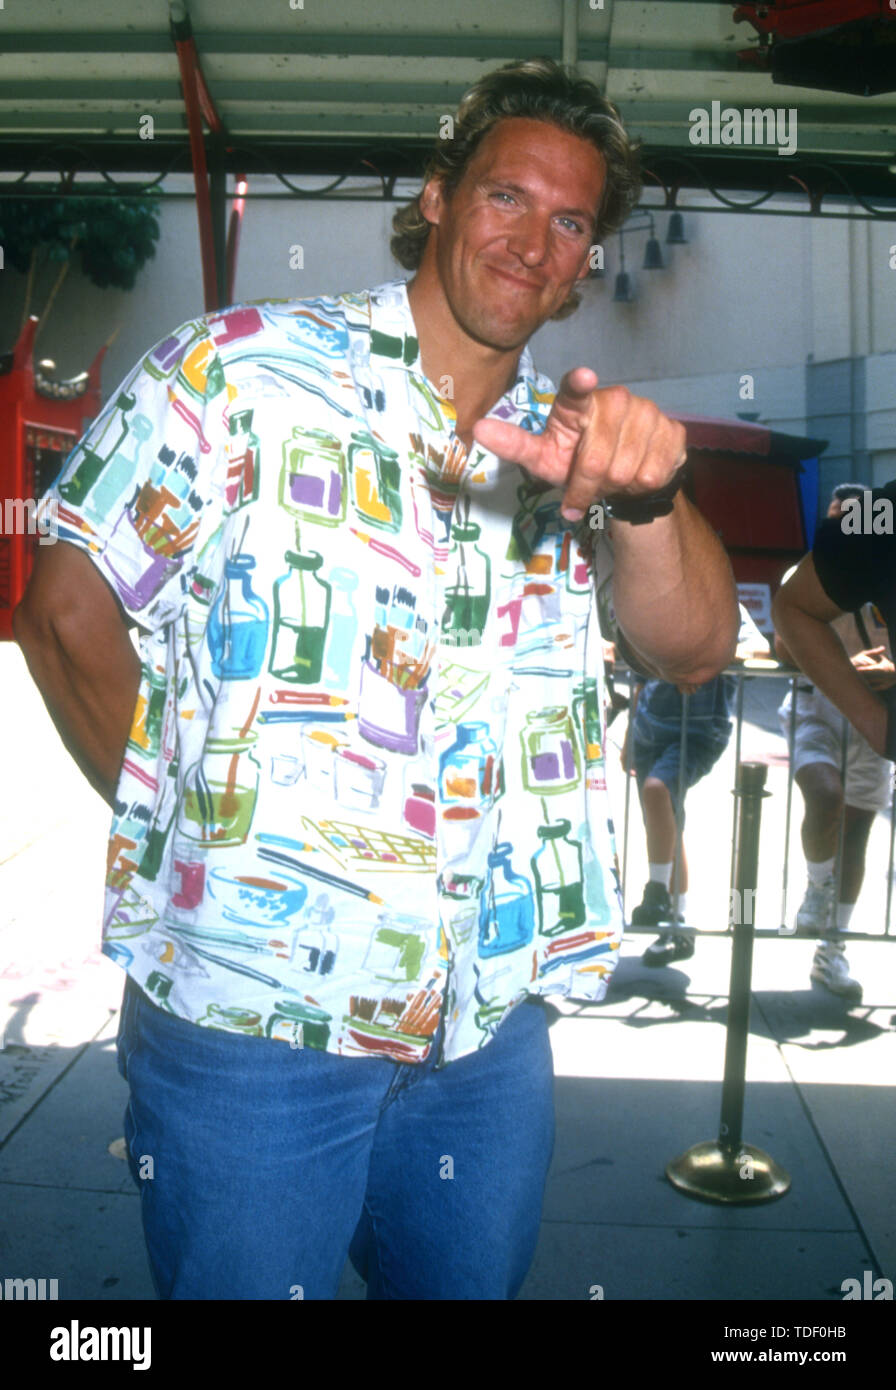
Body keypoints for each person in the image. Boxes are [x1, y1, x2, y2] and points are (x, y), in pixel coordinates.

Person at [13, 58, 738, 1301]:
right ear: (439, 197)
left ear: (586, 260)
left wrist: (651, 500)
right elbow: (65, 613)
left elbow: (693, 648)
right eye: (507, 197)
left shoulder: (582, 452)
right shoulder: (235, 371)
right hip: (251, 1032)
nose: (533, 241)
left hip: (484, 1030)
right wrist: (191, 833)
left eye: (571, 223)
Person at [774, 483, 895, 1002]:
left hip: (872, 712)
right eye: (837, 517)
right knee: (823, 794)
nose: (842, 522)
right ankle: (817, 884)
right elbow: (784, 636)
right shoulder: (848, 548)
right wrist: (869, 711)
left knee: (858, 833)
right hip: (821, 704)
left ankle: (833, 948)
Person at [623, 607, 770, 966]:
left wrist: (700, 660)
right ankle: (676, 925)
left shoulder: (725, 604)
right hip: (649, 728)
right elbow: (640, 674)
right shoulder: (654, 599)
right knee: (665, 825)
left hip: (698, 730)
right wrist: (629, 732)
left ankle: (658, 892)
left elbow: (760, 650)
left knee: (658, 791)